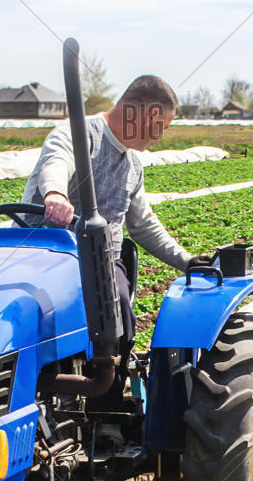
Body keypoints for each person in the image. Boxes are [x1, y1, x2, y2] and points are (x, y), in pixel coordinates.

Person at [21, 74, 194, 354]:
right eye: (164, 125)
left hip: (102, 266)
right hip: (45, 256)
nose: (161, 136)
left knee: (117, 308)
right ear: (151, 114)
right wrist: (55, 193)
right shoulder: (79, 134)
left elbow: (143, 225)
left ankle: (109, 387)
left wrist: (186, 261)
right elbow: (57, 160)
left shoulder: (133, 167)